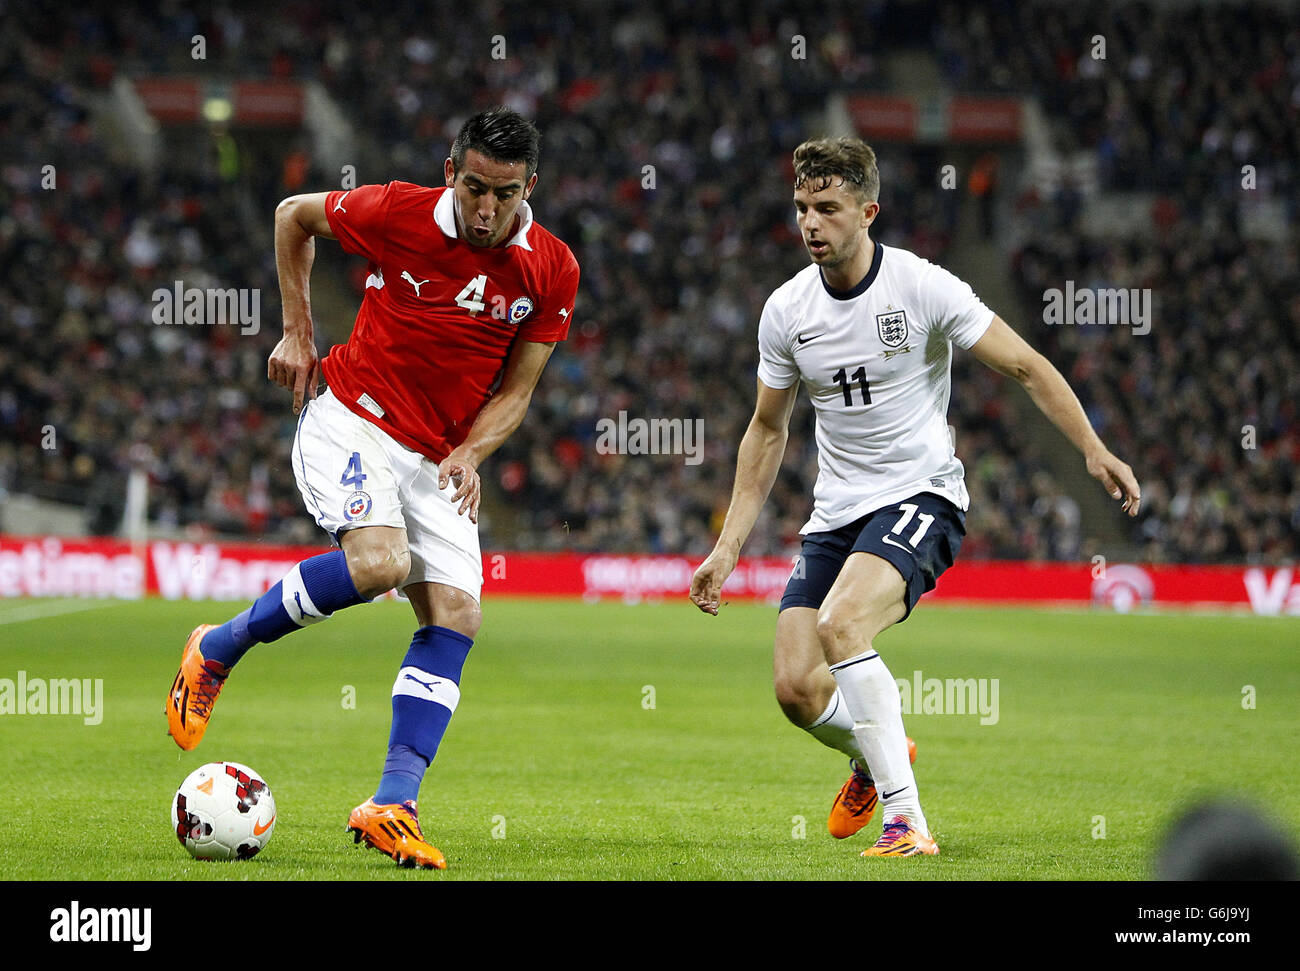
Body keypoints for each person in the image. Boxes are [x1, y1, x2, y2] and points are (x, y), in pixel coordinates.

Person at [689, 137, 1140, 858]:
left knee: (842, 627)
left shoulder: (923, 287)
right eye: (802, 207)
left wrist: (1092, 447)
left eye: (829, 208)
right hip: (837, 511)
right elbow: (766, 431)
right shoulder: (786, 311)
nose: (811, 223)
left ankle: (908, 822)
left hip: (921, 494)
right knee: (795, 688)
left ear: (869, 211)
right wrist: (728, 546)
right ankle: (875, 753)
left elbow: (1025, 365)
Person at [165, 106, 580, 870]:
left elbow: (520, 389)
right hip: (353, 419)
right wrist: (297, 330)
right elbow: (294, 216)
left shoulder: (552, 268)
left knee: (457, 613)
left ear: (531, 188)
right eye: (477, 188)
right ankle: (218, 648)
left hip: (435, 456)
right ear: (451, 172)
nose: (489, 209)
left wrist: (470, 451)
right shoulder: (399, 210)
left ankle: (393, 801)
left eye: (508, 194)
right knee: (383, 564)